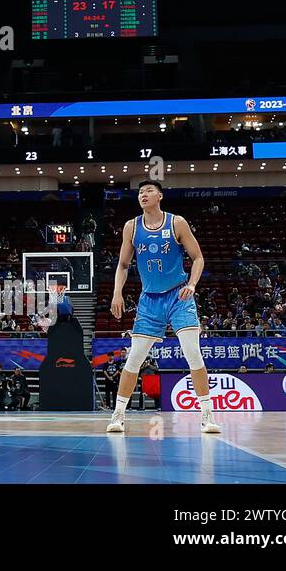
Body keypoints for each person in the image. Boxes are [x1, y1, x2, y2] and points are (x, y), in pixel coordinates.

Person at [108, 180, 220, 434]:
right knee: (134, 358)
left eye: (148, 191)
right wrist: (117, 292)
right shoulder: (131, 227)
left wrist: (192, 284)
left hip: (179, 296)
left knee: (193, 352)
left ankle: (207, 415)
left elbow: (198, 258)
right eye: (140, 192)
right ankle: (117, 415)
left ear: (159, 195)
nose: (143, 195)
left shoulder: (177, 223)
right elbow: (123, 265)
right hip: (149, 300)